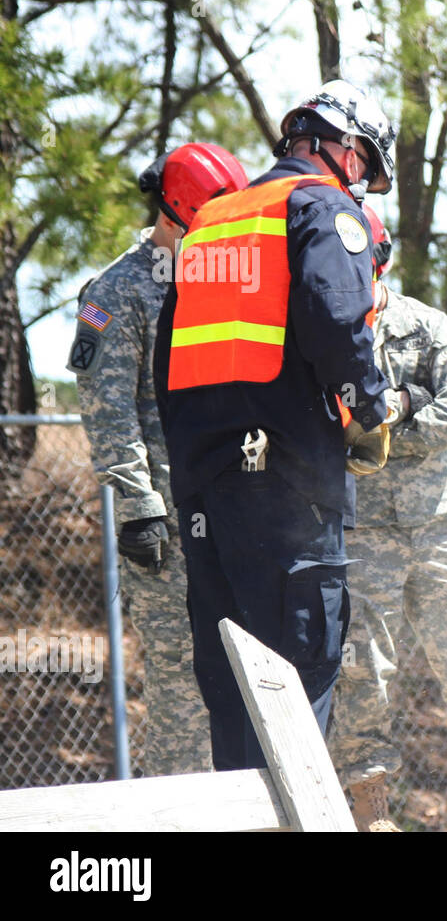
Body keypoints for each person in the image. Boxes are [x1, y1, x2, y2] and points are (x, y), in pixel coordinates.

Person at [153, 80, 397, 771]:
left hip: (208, 493)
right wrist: (368, 412)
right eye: (367, 171)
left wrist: (192, 470)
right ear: (347, 150)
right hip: (289, 493)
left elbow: (167, 361)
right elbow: (336, 320)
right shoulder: (323, 207)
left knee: (232, 690)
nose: (364, 189)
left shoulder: (213, 219)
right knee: (295, 679)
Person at [328, 205, 447, 832]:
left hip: (439, 525)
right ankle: (370, 804)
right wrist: (386, 414)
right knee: (363, 670)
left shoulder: (427, 327)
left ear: (380, 260)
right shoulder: (313, 333)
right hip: (358, 530)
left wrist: (386, 423)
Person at [69, 143, 248, 775]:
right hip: (167, 522)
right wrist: (137, 506)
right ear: (176, 215)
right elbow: (106, 407)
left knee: (248, 681)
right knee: (182, 686)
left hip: (232, 510)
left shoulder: (225, 276)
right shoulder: (116, 290)